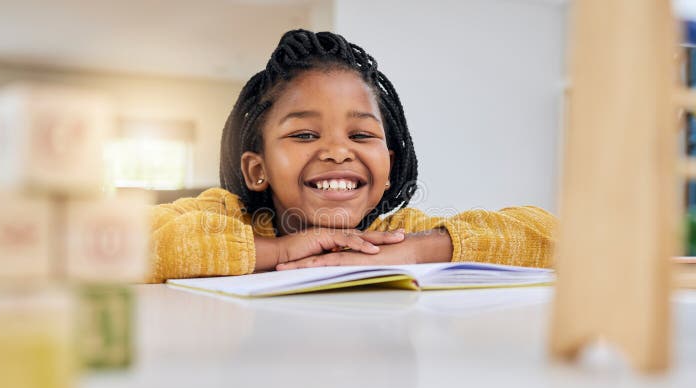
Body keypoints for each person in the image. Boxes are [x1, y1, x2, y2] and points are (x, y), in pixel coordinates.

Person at [149, 29, 555, 283]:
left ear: (390, 167)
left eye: (361, 134)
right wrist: (277, 251)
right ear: (259, 169)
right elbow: (127, 244)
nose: (339, 151)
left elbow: (554, 239)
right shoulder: (227, 215)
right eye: (305, 134)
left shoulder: (400, 229)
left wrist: (418, 250)